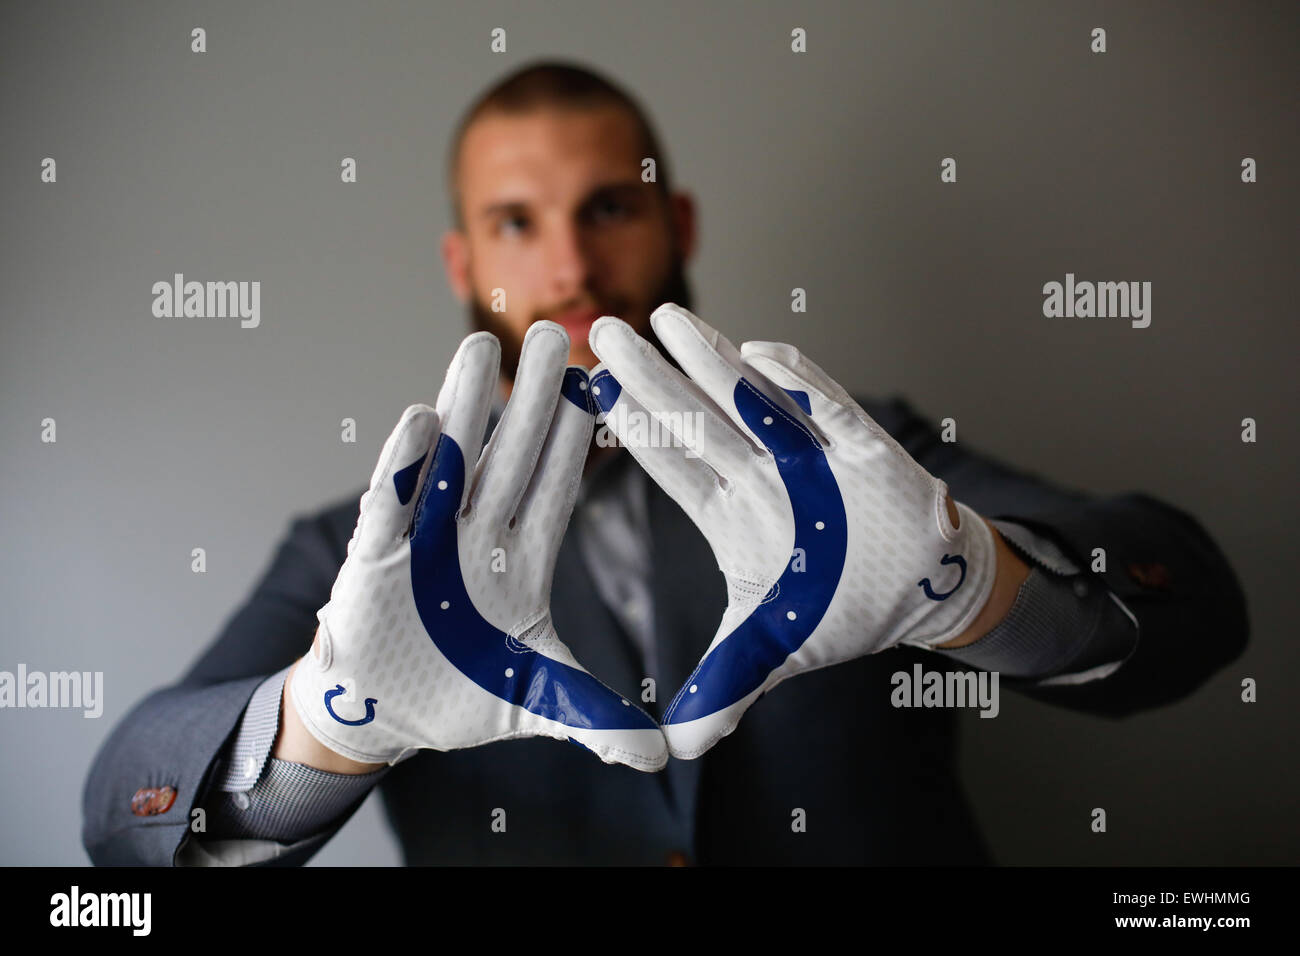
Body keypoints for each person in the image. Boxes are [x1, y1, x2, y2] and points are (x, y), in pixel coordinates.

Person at [82, 61, 1249, 866]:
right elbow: (121, 812)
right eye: (516, 222)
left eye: (607, 207)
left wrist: (973, 582)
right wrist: (328, 724)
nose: (572, 264)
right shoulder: (362, 549)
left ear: (678, 224)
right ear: (459, 258)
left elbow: (1187, 605)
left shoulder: (852, 460)